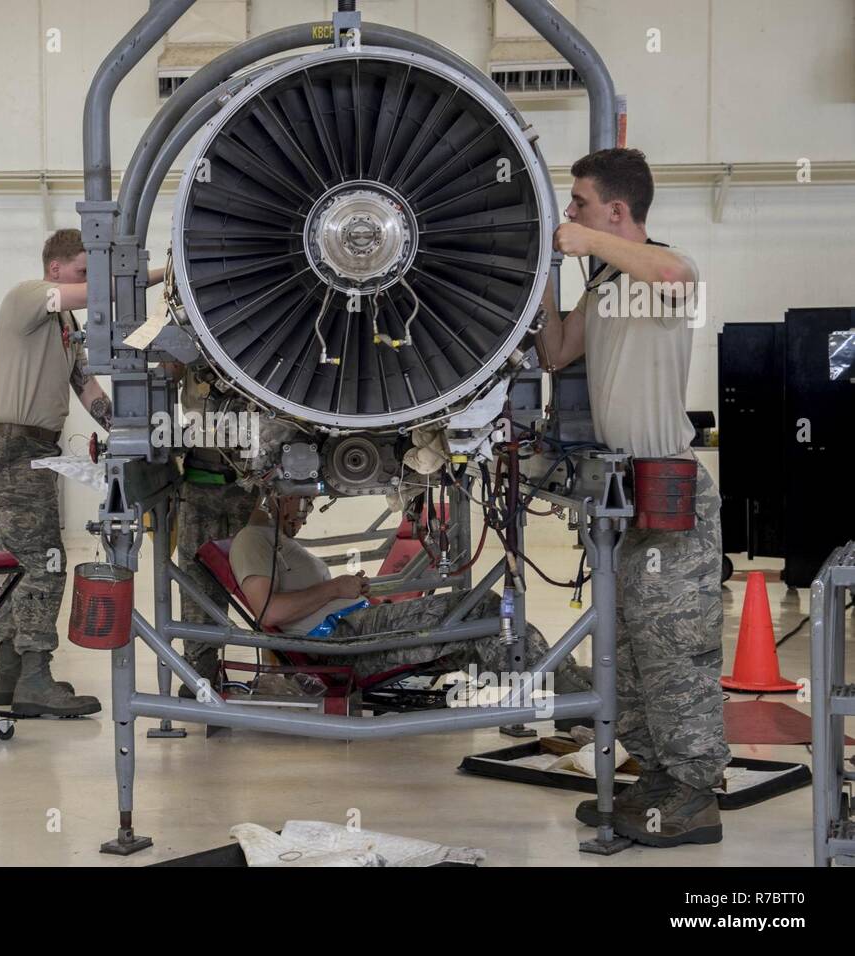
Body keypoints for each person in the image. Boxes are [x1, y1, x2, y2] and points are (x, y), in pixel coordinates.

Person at [534, 147, 727, 848]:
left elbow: (674, 274)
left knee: (676, 648)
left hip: (670, 486)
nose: (571, 216)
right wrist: (544, 285)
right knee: (632, 648)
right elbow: (558, 352)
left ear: (617, 212)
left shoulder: (667, 270)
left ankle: (695, 793)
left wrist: (585, 243)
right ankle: (656, 778)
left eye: (580, 204)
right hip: (622, 495)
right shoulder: (609, 284)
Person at [0, 228, 164, 717]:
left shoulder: (63, 320)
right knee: (44, 560)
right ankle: (34, 679)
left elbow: (84, 384)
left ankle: (10, 674)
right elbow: (104, 290)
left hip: (33, 446)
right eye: (83, 271)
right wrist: (167, 275)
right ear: (56, 267)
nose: (90, 281)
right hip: (18, 446)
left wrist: (125, 428)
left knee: (17, 561)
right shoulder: (30, 296)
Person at [228, 493, 593, 695]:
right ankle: (569, 685)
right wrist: (335, 588)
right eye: (302, 502)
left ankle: (566, 682)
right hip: (344, 641)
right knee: (480, 607)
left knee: (473, 641)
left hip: (354, 627)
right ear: (277, 496)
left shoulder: (276, 543)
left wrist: (345, 591)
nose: (306, 514)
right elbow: (268, 614)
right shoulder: (251, 541)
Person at [166, 363, 257, 695]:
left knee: (263, 577)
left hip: (249, 481)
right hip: (199, 481)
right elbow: (164, 375)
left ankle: (285, 667)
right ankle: (199, 674)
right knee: (198, 584)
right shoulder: (188, 338)